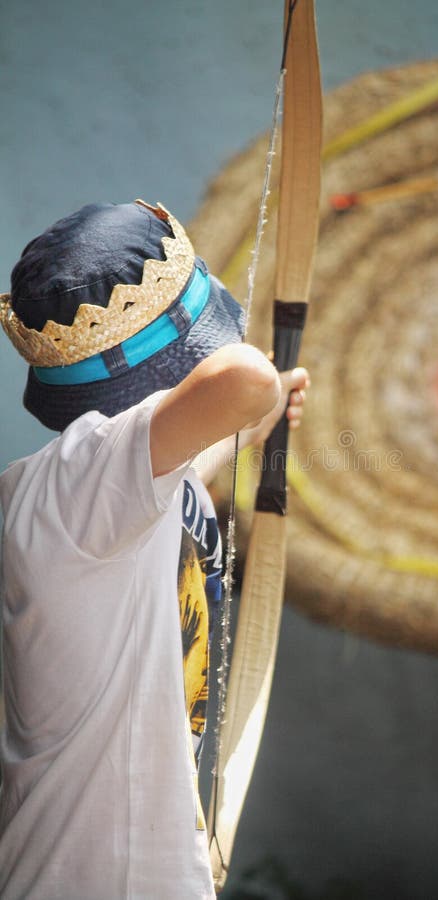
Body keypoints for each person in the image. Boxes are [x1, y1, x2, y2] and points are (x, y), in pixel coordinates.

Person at [0, 199, 309, 899]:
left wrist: (260, 422)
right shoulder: (85, 475)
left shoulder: (103, 497)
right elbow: (242, 380)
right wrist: (260, 389)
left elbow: (206, 450)